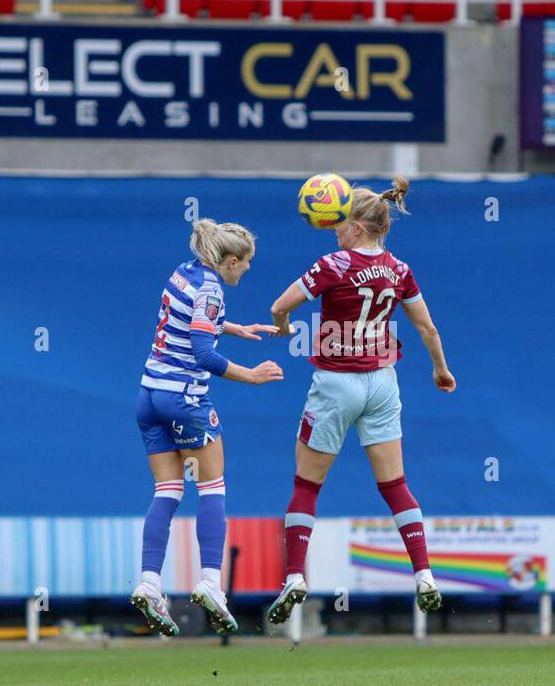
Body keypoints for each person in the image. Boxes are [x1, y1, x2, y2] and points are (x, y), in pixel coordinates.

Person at [264, 176, 456, 625]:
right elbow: (426, 327)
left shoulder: (333, 265)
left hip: (336, 383)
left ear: (356, 227)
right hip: (383, 382)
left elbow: (279, 305)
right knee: (394, 485)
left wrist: (287, 326)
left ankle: (294, 577)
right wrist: (440, 368)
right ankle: (424, 573)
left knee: (307, 485)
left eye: (340, 221)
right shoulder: (399, 269)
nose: (333, 228)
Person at [131, 219, 282, 636]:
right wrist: (250, 375)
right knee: (212, 487)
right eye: (246, 263)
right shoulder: (213, 288)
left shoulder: (185, 270)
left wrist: (235, 327)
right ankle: (211, 582)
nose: (248, 270)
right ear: (230, 260)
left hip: (149, 395)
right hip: (184, 399)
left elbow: (187, 322)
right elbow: (201, 351)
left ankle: (149, 581)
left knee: (167, 490)